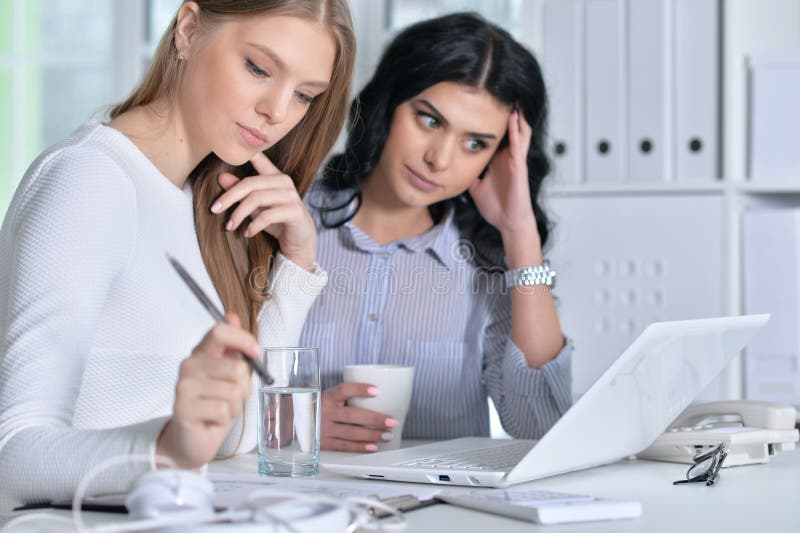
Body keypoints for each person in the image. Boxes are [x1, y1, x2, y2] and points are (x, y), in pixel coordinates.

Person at [0, 0, 354, 509]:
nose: (277, 112)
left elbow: (243, 432)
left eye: (303, 95)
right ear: (188, 30)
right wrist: (166, 447)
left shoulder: (201, 204)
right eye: (258, 68)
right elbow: (13, 458)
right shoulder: (91, 180)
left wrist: (296, 263)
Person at [302, 12, 572, 452]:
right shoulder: (285, 221)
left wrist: (521, 235)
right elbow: (204, 391)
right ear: (389, 104)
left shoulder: (491, 265)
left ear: (499, 156)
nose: (440, 160)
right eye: (429, 120)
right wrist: (294, 419)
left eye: (475, 144)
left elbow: (541, 423)